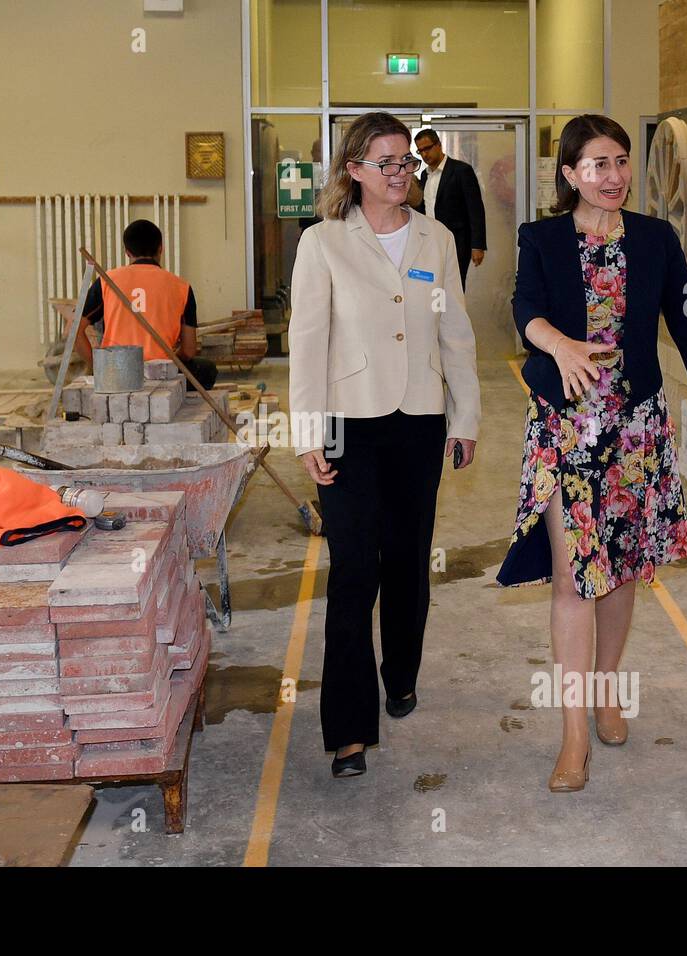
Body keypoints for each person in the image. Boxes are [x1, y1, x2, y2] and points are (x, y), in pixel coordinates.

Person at [496, 114, 687, 793]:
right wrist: (559, 345)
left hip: (635, 429)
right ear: (569, 174)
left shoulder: (656, 239)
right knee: (575, 579)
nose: (614, 176)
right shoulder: (541, 237)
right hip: (567, 429)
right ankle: (573, 736)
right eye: (597, 164)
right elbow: (525, 306)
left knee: (622, 569)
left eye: (621, 161)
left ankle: (606, 690)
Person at [290, 111, 481, 779]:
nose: (401, 172)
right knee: (352, 570)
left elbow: (456, 333)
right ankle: (347, 729)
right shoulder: (322, 243)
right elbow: (307, 344)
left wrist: (466, 419)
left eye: (407, 161)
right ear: (355, 171)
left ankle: (400, 674)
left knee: (405, 562)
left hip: (418, 420)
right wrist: (308, 431)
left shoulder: (437, 239)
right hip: (348, 420)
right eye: (387, 162)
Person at [71, 220, 218, 391]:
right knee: (207, 369)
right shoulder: (181, 287)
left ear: (127, 252)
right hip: (160, 372)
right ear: (160, 248)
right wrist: (170, 360)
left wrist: (100, 367)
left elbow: (72, 330)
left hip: (118, 371)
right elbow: (189, 350)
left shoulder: (107, 281)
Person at [412, 129, 487, 290]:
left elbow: (475, 209)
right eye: (420, 151)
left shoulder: (461, 171)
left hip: (457, 240)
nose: (424, 154)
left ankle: (455, 315)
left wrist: (477, 245)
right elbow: (425, 207)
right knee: (433, 284)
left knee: (455, 285)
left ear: (439, 145)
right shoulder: (425, 175)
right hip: (430, 240)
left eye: (428, 148)